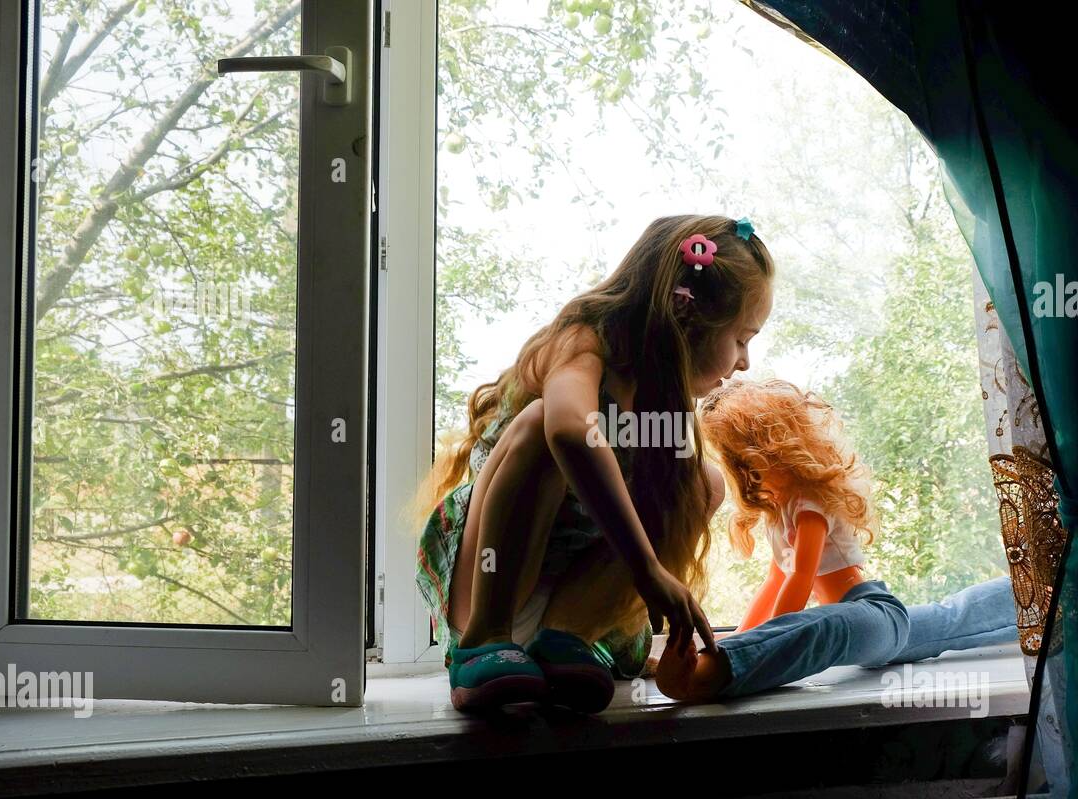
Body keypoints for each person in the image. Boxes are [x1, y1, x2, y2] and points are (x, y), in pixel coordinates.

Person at [411, 215, 774, 712]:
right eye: (741, 338)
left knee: (701, 482)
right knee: (545, 422)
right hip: (494, 586)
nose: (745, 361)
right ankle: (483, 641)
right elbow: (567, 428)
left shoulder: (661, 402)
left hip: (568, 608)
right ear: (688, 322)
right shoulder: (585, 340)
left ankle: (568, 636)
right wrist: (647, 569)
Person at [656, 378, 1018, 701]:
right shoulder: (780, 512)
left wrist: (766, 641)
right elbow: (775, 581)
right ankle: (1032, 596)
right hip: (868, 625)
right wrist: (734, 640)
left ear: (765, 449)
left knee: (821, 630)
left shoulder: (808, 502)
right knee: (949, 620)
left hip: (871, 611)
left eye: (738, 460)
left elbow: (800, 578)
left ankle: (707, 676)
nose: (740, 474)